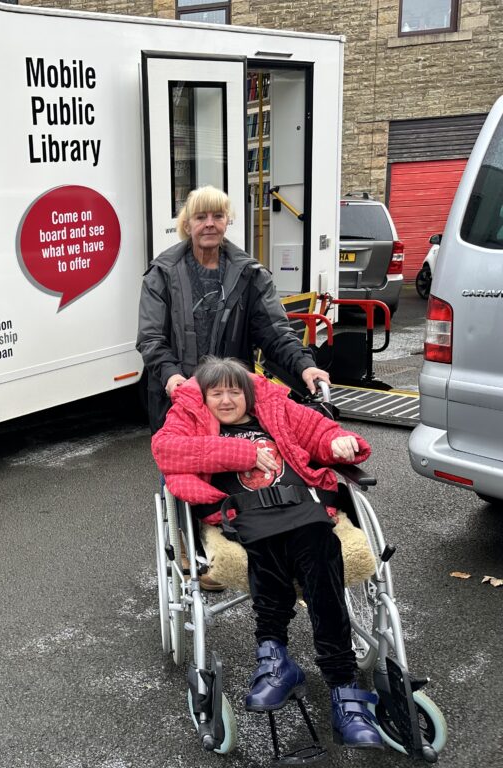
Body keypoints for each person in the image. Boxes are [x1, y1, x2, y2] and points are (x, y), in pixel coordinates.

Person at [153, 356, 383, 750]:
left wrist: (339, 443)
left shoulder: (276, 410)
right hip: (242, 515)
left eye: (234, 391)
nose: (226, 400)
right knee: (265, 543)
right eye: (216, 392)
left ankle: (339, 685)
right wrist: (241, 454)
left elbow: (321, 432)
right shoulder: (189, 418)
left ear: (249, 393)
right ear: (203, 397)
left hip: (304, 509)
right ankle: (277, 657)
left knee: (321, 546)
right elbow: (166, 450)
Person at [136, 185, 329, 435]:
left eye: (217, 216)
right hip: (179, 400)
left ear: (227, 222)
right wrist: (171, 376)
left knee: (238, 469)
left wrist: (304, 365)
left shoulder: (250, 274)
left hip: (232, 399)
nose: (209, 223)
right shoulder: (162, 273)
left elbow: (276, 333)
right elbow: (151, 339)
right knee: (179, 469)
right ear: (187, 225)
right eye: (201, 217)